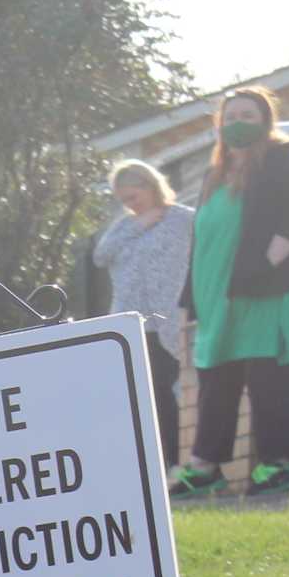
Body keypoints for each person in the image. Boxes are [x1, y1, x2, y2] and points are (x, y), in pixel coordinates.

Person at [173, 87, 289, 498]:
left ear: (265, 121)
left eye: (248, 115)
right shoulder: (215, 174)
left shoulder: (280, 160)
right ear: (219, 124)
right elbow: (203, 239)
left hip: (267, 292)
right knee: (215, 382)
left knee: (268, 379)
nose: (237, 122)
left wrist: (266, 265)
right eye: (230, 115)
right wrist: (189, 297)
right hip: (217, 298)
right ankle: (205, 468)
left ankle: (278, 466)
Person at [93, 159, 195, 467]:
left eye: (134, 198)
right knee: (146, 392)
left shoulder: (182, 219)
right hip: (132, 319)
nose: (130, 206)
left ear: (150, 186)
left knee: (168, 389)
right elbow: (101, 256)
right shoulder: (124, 226)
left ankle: (175, 463)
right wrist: (139, 224)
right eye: (124, 201)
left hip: (169, 317)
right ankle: (156, 463)